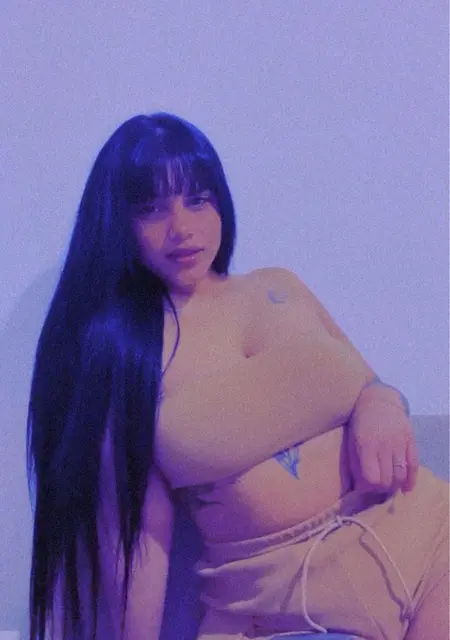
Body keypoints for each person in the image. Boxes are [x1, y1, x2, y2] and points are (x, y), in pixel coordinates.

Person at [27, 112, 449, 640]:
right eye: (151, 208)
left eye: (197, 200)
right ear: (117, 223)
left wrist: (381, 404)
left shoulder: (280, 286)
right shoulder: (126, 355)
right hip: (288, 612)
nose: (181, 227)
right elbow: (135, 546)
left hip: (431, 540)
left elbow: (371, 383)